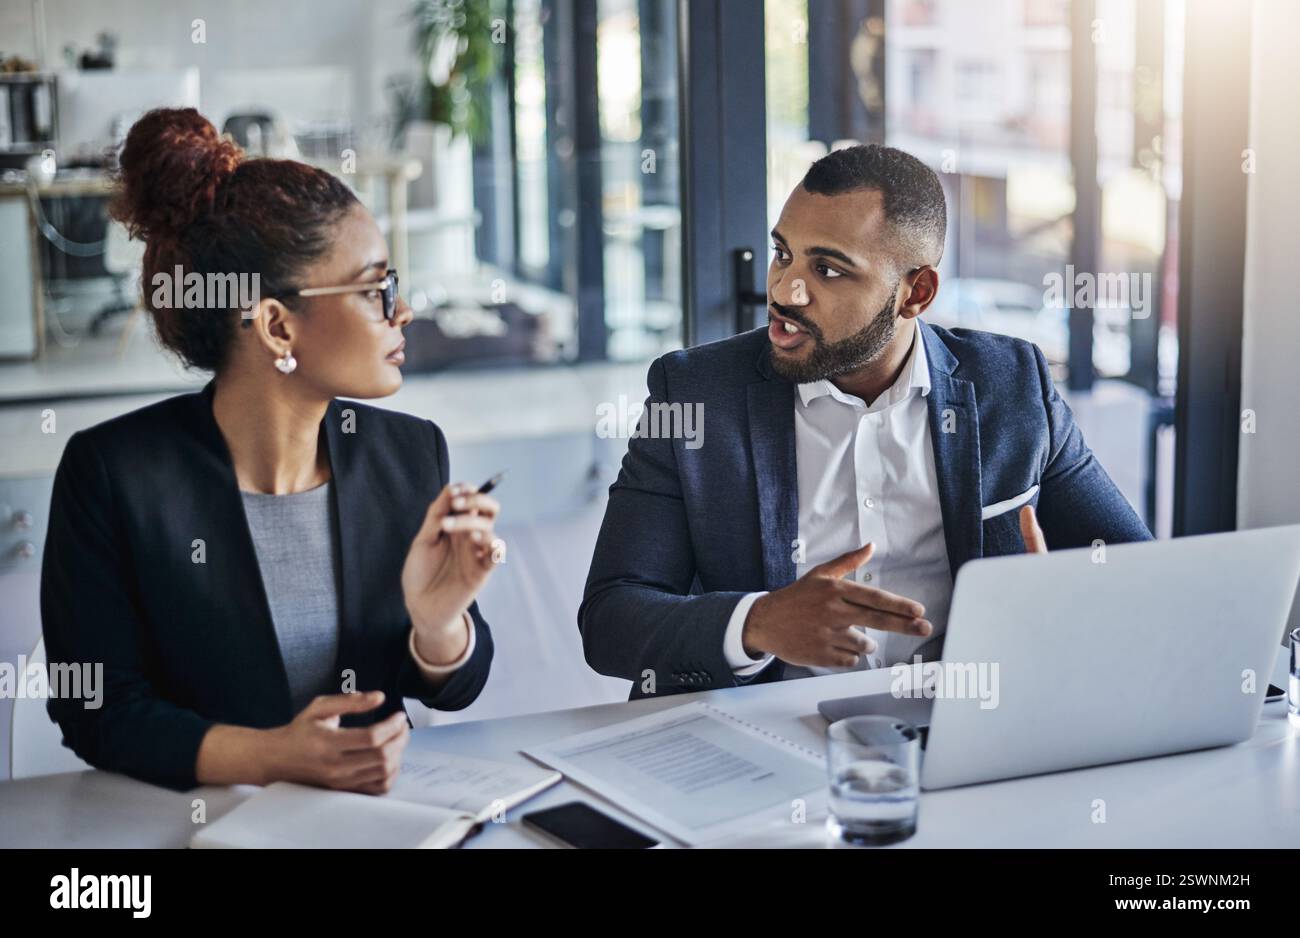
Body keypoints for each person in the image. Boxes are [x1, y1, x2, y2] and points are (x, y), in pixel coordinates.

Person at [580, 143, 1151, 698]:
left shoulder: (1012, 383)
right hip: (757, 737)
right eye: (784, 254)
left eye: (828, 270)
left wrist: (1069, 607)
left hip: (958, 726)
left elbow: (1139, 578)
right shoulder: (697, 395)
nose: (784, 291)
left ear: (915, 292)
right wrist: (758, 623)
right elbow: (611, 620)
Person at [41, 108, 501, 792]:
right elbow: (96, 711)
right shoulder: (114, 475)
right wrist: (271, 757)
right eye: (376, 289)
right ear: (278, 326)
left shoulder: (408, 455)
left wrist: (437, 625)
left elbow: (451, 688)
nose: (401, 311)